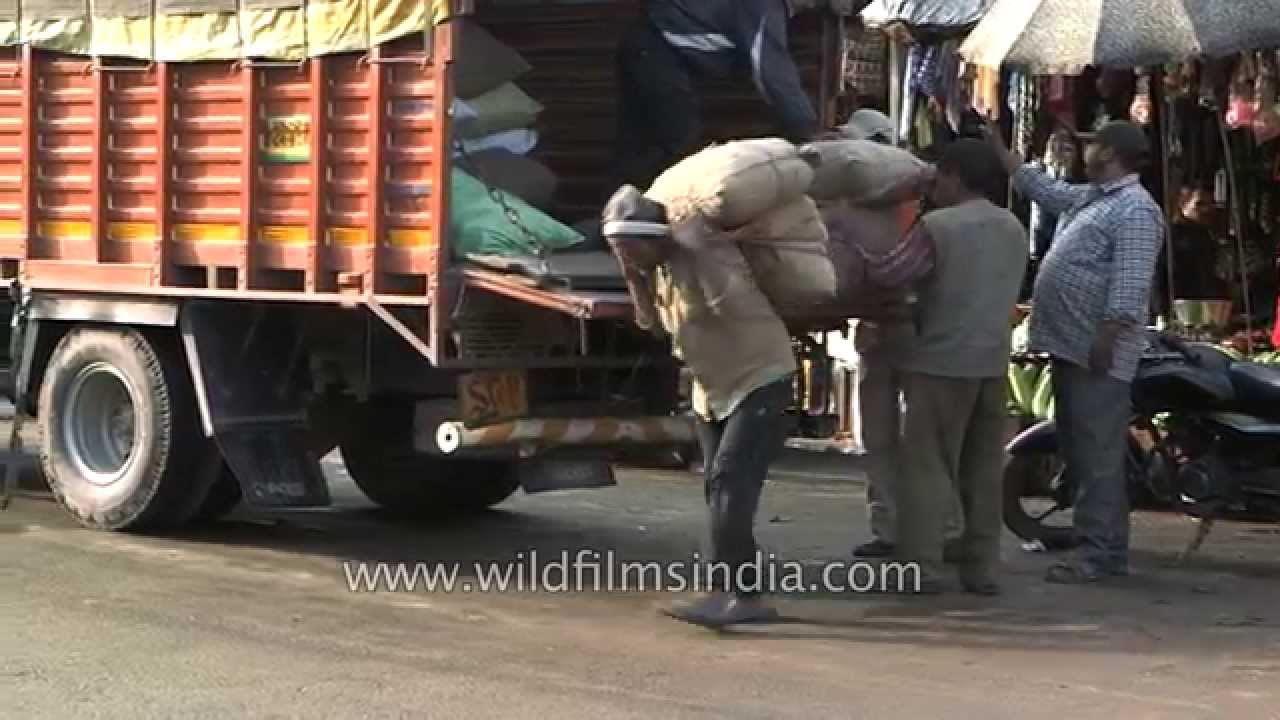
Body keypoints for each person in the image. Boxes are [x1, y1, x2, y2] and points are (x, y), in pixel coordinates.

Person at [607, 190, 796, 627]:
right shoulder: (655, 270)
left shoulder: (704, 259)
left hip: (758, 378)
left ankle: (737, 596)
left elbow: (725, 303)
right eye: (619, 251)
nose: (627, 256)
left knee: (731, 480)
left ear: (654, 239)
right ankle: (733, 591)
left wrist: (708, 245)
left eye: (630, 248)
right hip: (712, 390)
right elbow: (649, 324)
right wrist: (633, 276)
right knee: (717, 487)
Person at [987, 120, 1164, 584]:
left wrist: (1107, 338)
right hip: (1074, 347)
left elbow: (1129, 285)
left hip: (1096, 352)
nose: (1085, 152)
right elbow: (1044, 191)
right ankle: (1095, 547)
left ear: (1110, 154)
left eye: (1093, 145)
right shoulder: (1095, 199)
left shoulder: (1134, 210)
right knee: (1083, 454)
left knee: (1097, 456)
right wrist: (1003, 153)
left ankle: (1101, 555)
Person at [860, 139, 1029, 593]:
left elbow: (891, 272)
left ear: (955, 175)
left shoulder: (939, 226)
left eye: (939, 178)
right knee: (982, 468)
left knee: (927, 467)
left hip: (940, 361)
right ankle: (981, 568)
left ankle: (922, 568)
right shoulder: (1013, 227)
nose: (935, 187)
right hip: (992, 361)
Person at [828, 108, 965, 561]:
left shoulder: (909, 192)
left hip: (910, 324)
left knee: (916, 437)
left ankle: (936, 528)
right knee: (880, 434)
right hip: (878, 325)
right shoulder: (861, 195)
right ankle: (892, 527)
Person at [612, 0, 824, 191]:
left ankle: (621, 213)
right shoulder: (764, 6)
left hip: (646, 44)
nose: (811, 6)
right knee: (679, 142)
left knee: (640, 144)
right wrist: (803, 127)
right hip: (655, 48)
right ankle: (656, 215)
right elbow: (771, 70)